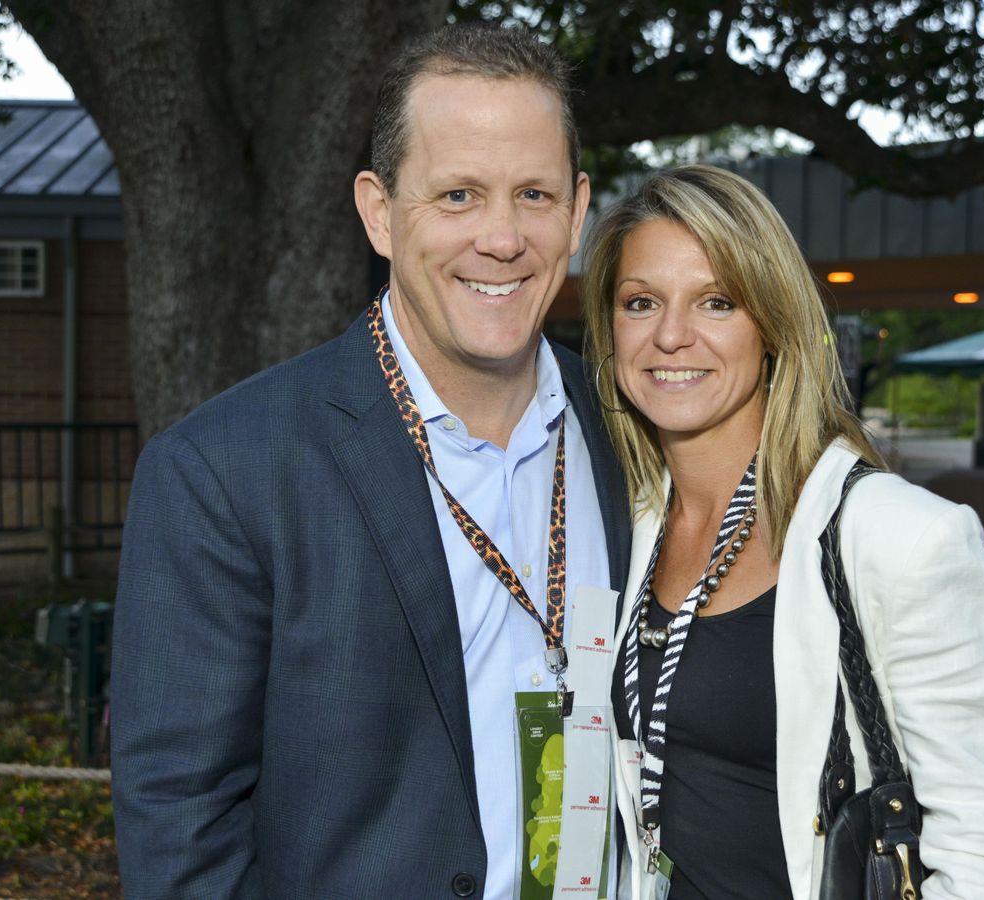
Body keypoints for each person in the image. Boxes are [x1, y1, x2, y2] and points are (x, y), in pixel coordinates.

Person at [110, 24, 630, 899]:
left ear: (577, 213)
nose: (502, 238)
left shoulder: (632, 432)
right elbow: (180, 831)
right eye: (458, 195)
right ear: (380, 212)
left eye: (534, 194)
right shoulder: (221, 473)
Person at [580, 166, 984, 899]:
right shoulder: (618, 523)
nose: (670, 335)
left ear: (772, 325)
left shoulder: (901, 539)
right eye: (641, 302)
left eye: (716, 302)